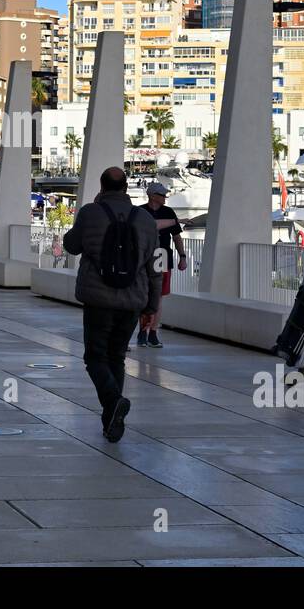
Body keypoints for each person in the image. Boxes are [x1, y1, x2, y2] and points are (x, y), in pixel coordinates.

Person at [62, 166, 162, 443]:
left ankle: (114, 401)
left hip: (98, 298)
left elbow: (71, 245)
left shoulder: (90, 213)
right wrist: (151, 306)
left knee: (95, 357)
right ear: (127, 187)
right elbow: (154, 267)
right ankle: (111, 420)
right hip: (133, 299)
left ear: (102, 187)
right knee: (116, 357)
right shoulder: (144, 219)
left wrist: (93, 209)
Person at [134, 182, 186, 349]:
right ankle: (143, 331)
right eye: (162, 195)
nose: (165, 197)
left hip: (162, 257)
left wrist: (182, 256)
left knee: (159, 296)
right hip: (144, 257)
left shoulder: (168, 212)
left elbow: (177, 237)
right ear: (153, 196)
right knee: (145, 294)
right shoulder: (140, 212)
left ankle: (153, 332)